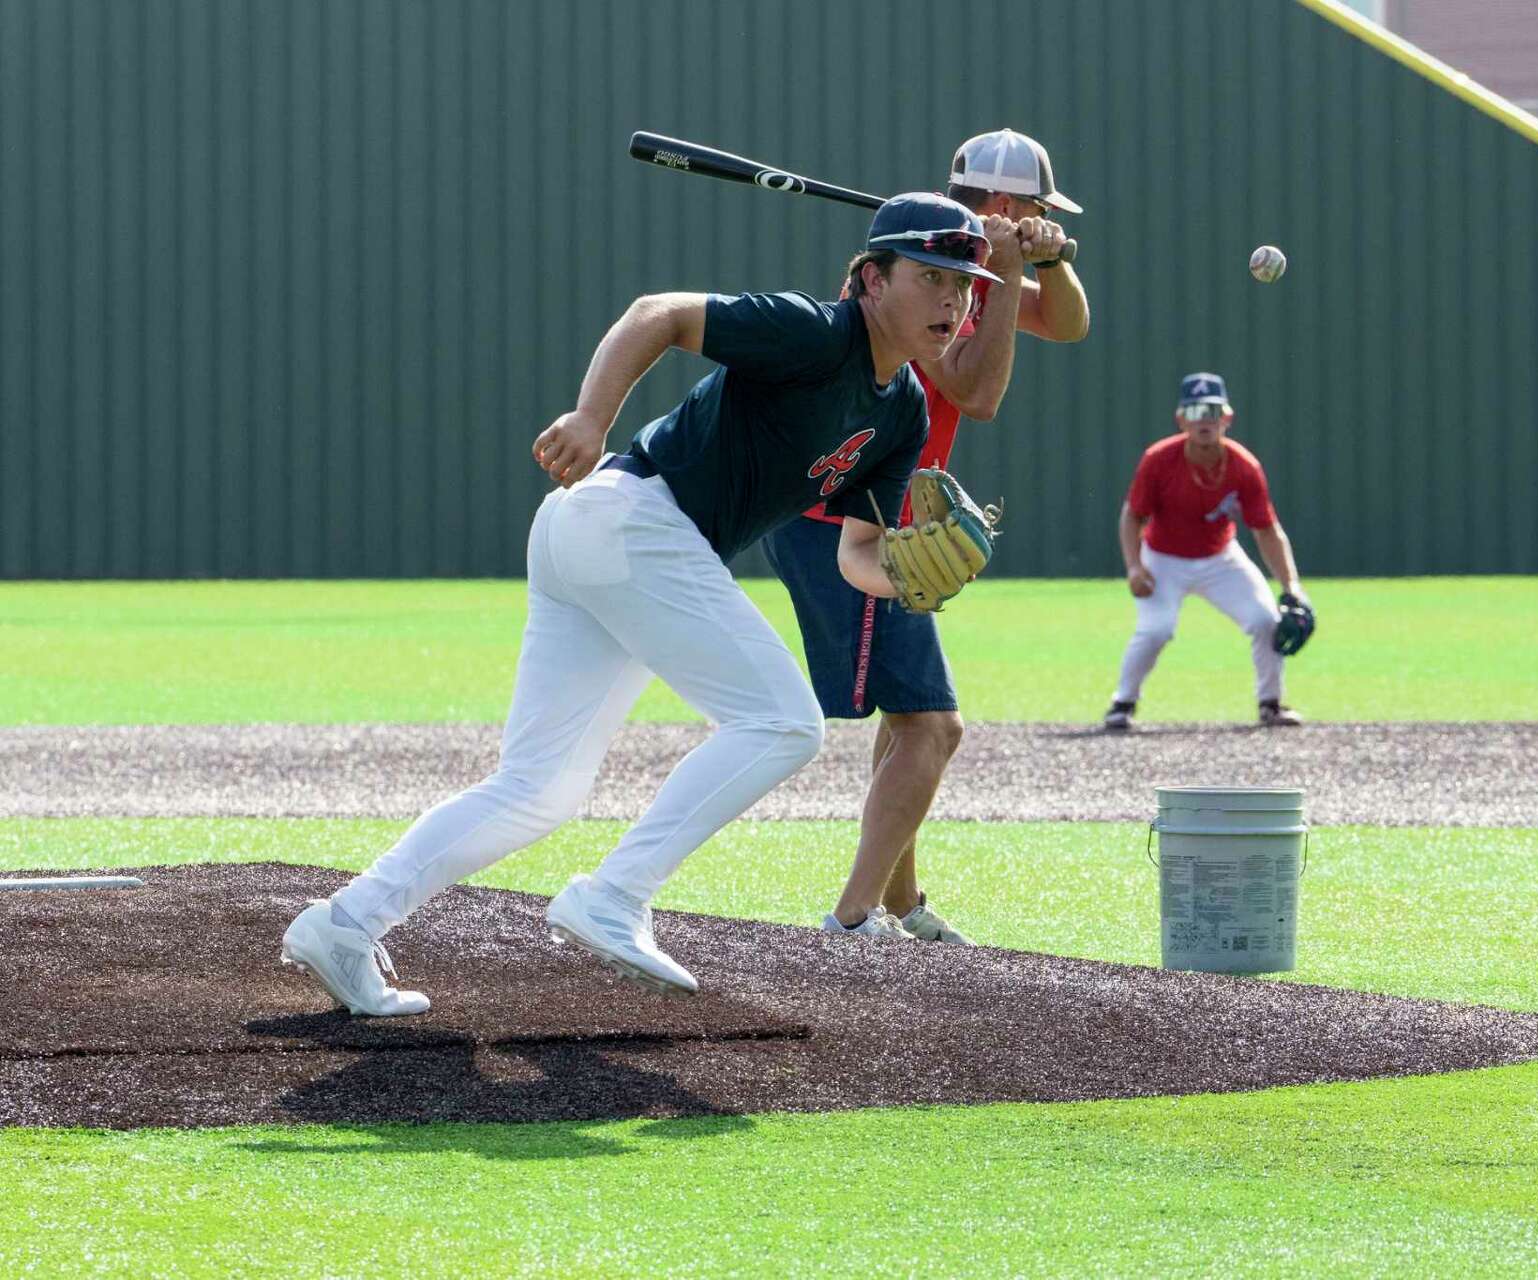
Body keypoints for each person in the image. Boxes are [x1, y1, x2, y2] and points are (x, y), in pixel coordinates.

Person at [280, 193, 1001, 1015]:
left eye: (967, 283)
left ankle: (345, 923)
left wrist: (912, 577)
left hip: (608, 540)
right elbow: (655, 313)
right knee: (783, 722)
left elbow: (858, 556)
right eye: (934, 275)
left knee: (538, 788)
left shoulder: (902, 409)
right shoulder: (812, 329)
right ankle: (615, 896)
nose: (955, 299)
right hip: (630, 519)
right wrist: (592, 417)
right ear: (872, 278)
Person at [763, 129, 1090, 944]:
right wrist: (1012, 269)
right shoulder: (926, 288)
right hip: (844, 523)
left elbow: (1073, 323)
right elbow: (976, 394)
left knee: (908, 721)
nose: (1043, 219)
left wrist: (1046, 262)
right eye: (1038, 210)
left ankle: (901, 906)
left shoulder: (957, 272)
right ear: (1009, 206)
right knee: (934, 727)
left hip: (868, 512)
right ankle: (851, 917)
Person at [1103, 372, 1309, 731]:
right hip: (1163, 557)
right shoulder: (1159, 459)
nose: (1205, 419)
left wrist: (1292, 586)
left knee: (1266, 621)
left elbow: (1267, 531)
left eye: (1213, 410)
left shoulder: (1244, 467)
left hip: (1220, 558)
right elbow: (1132, 516)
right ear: (1182, 419)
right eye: (1196, 410)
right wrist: (1134, 567)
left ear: (1226, 418)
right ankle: (1122, 703)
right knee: (1156, 630)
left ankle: (1271, 704)